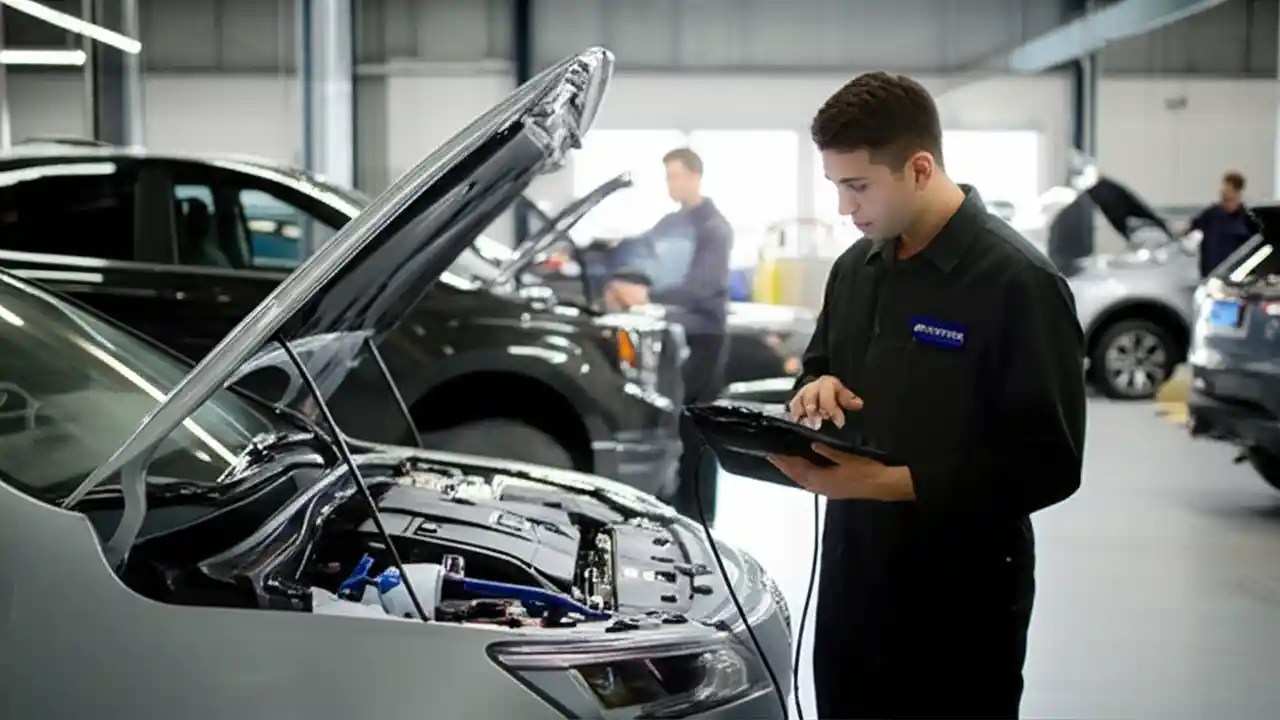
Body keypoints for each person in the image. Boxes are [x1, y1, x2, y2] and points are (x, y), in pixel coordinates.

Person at [766, 71, 1086, 719]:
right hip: (855, 577)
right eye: (836, 187)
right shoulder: (856, 269)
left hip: (962, 594)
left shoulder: (1018, 283)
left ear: (918, 168)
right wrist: (815, 386)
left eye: (858, 187)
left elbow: (1049, 463)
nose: (844, 208)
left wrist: (883, 483)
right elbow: (819, 363)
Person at [604, 148, 733, 522]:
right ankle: (677, 512)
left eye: (675, 176)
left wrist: (647, 295)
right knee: (675, 426)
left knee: (698, 428)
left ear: (695, 176)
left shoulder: (714, 228)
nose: (670, 184)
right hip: (674, 336)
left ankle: (701, 517)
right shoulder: (670, 224)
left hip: (704, 338)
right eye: (667, 177)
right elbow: (641, 257)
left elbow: (701, 288)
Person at [1186, 170, 1260, 278]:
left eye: (1227, 188)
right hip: (1210, 275)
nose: (1223, 191)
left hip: (1236, 275)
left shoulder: (1248, 219)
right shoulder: (1211, 214)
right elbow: (1189, 227)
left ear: (1237, 191)